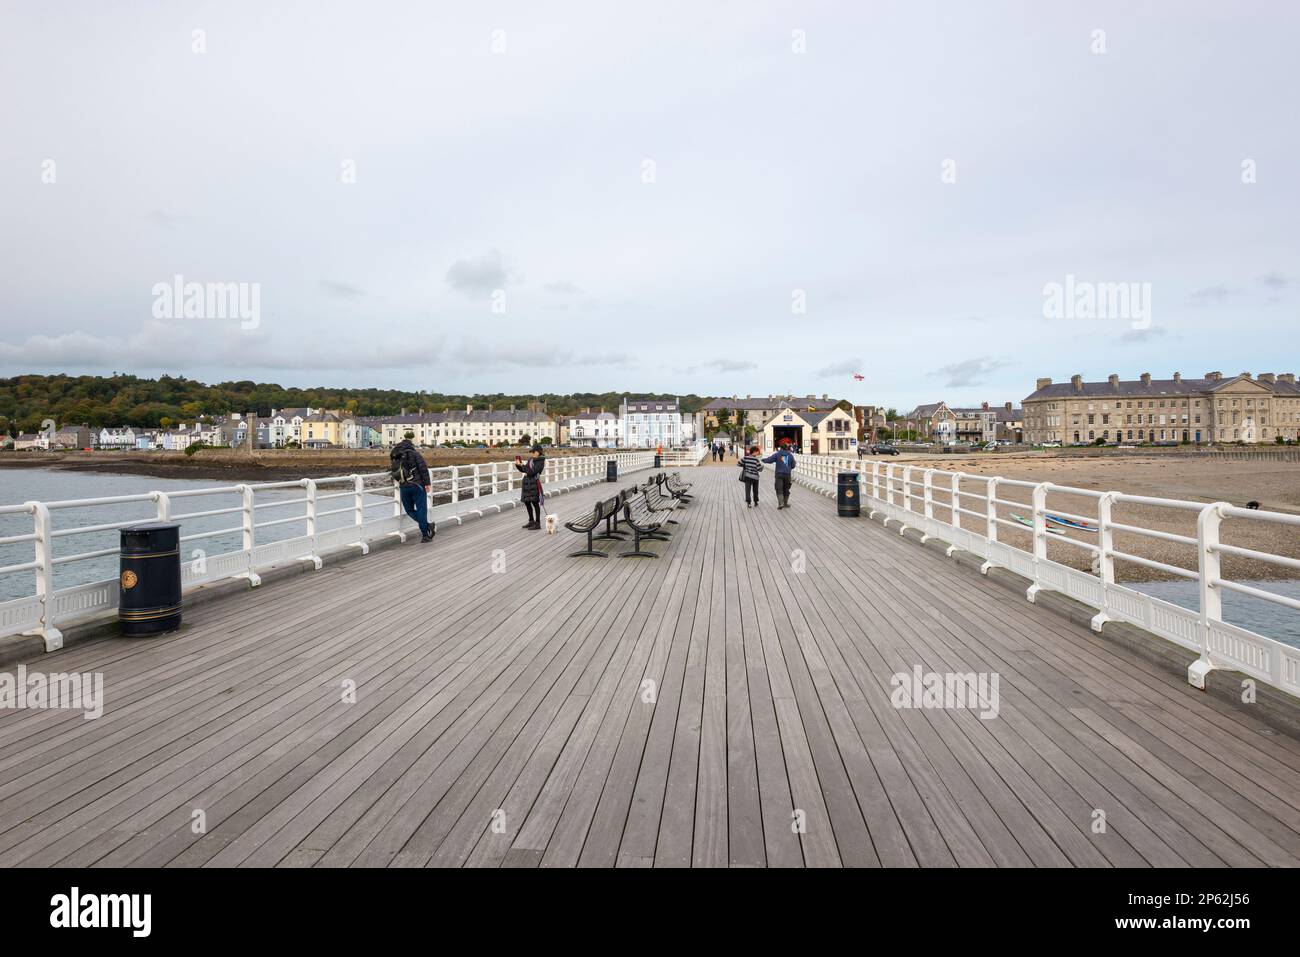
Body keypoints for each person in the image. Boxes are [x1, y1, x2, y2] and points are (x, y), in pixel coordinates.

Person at [390, 431, 433, 541]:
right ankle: (425, 534)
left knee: (409, 510)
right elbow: (423, 469)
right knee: (421, 510)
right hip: (417, 485)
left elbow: (394, 469)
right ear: (411, 445)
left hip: (404, 486)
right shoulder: (414, 454)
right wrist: (427, 484)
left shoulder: (395, 455)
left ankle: (427, 526)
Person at [515, 444, 547, 529]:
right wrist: (518, 465)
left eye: (533, 452)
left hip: (534, 483)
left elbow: (532, 472)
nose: (532, 453)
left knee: (535, 503)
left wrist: (523, 466)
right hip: (527, 483)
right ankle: (531, 521)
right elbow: (524, 469)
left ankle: (537, 523)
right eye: (531, 452)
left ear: (538, 452)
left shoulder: (541, 461)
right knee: (527, 502)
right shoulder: (531, 459)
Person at [763, 441, 797, 509]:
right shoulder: (790, 455)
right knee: (786, 488)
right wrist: (788, 467)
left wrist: (763, 460)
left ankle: (781, 503)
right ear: (787, 448)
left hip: (779, 474)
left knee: (779, 488)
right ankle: (785, 503)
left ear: (780, 448)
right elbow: (793, 465)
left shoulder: (777, 454)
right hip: (787, 474)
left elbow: (770, 460)